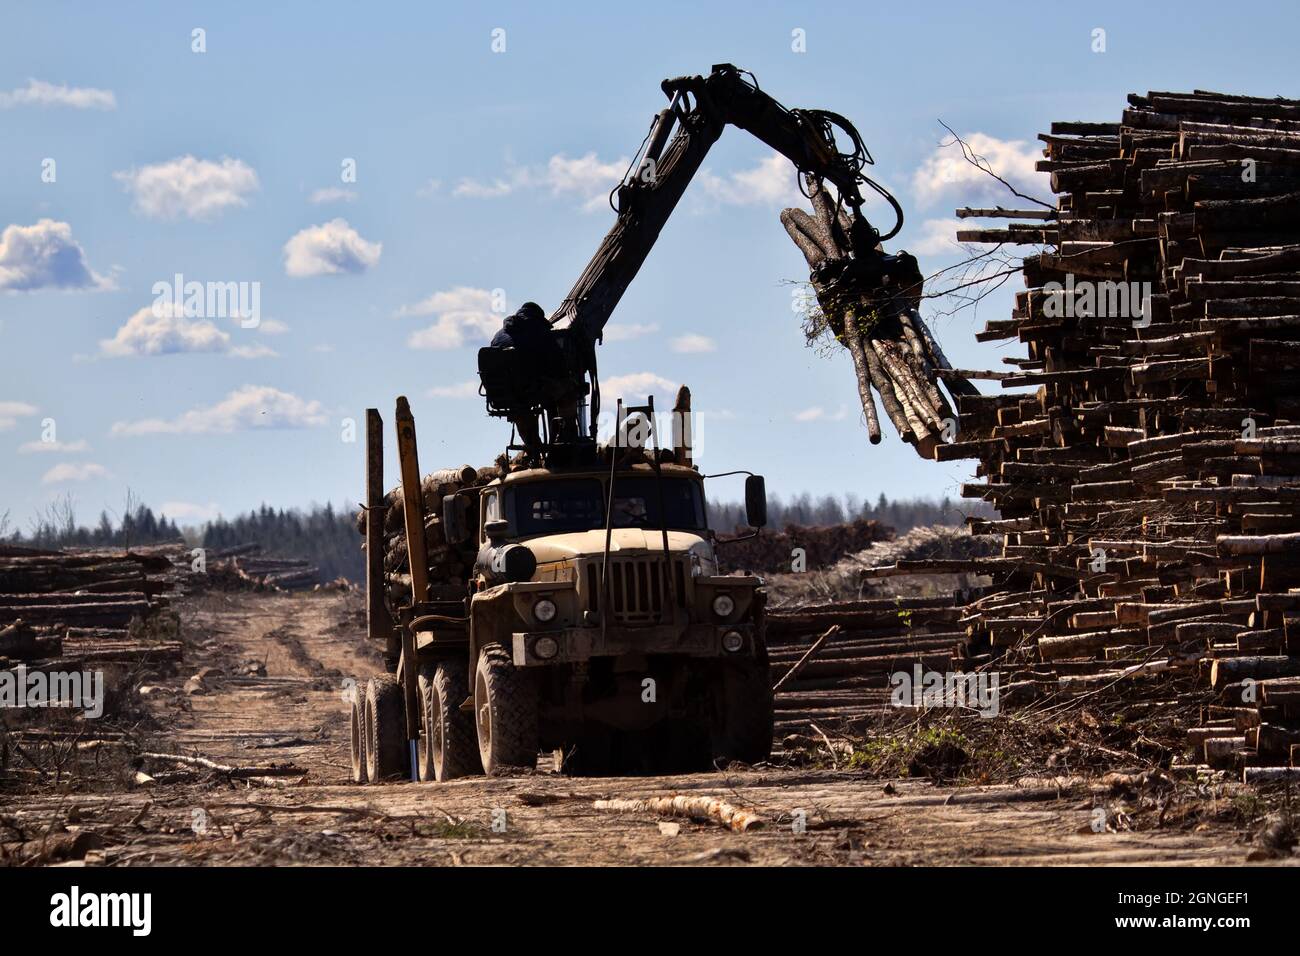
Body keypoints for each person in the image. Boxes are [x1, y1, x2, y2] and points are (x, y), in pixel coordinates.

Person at [490, 303, 576, 450]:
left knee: (520, 406)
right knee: (567, 390)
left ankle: (533, 448)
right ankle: (565, 436)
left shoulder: (498, 336)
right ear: (537, 318)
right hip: (532, 390)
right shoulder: (540, 332)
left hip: (504, 394)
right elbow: (559, 365)